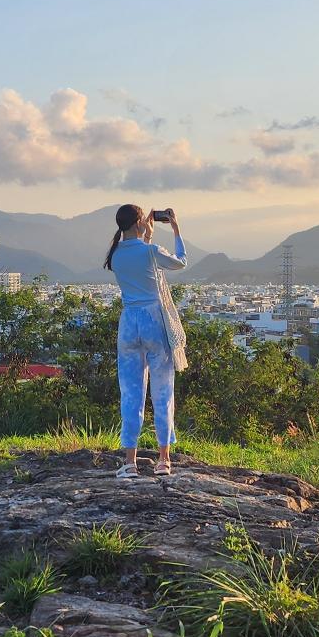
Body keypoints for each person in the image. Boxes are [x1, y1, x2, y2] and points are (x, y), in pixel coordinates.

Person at [103, 204, 187, 478]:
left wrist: (146, 236)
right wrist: (175, 229)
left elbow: (140, 267)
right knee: (162, 392)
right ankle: (163, 460)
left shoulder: (115, 255)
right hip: (153, 321)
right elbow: (179, 261)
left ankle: (130, 462)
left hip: (128, 324)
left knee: (131, 394)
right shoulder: (150, 251)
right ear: (140, 222)